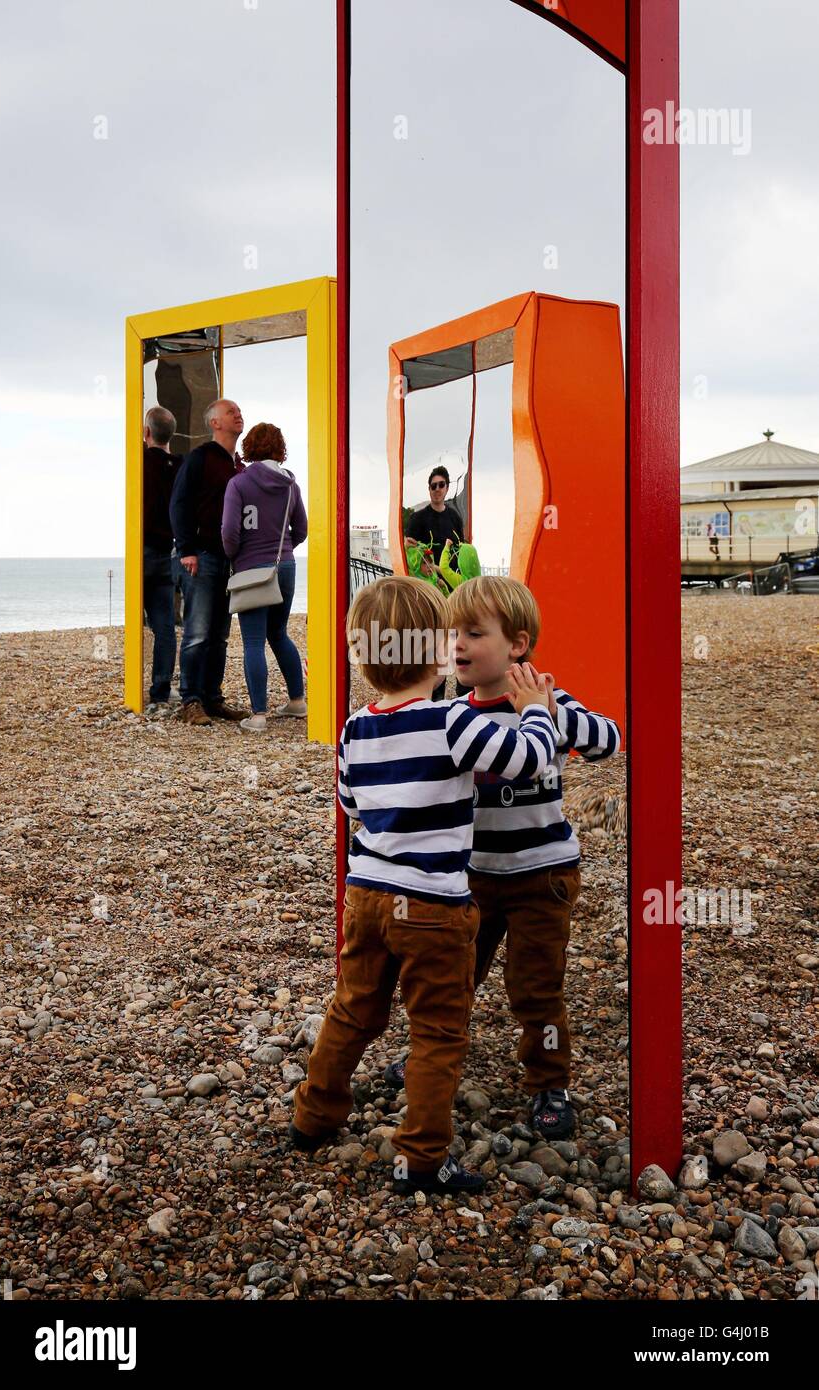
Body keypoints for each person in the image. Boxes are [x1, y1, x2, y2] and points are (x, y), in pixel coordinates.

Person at [289, 576, 559, 1195]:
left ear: (362, 657)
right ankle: (422, 1157)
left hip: (367, 896)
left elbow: (351, 804)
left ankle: (313, 1116)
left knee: (355, 1007)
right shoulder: (454, 720)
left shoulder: (356, 729)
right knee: (437, 1031)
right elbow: (527, 760)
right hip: (434, 904)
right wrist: (537, 714)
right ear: (439, 651)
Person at [384, 576, 620, 1141]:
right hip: (474, 876)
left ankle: (549, 1082)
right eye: (449, 635)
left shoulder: (546, 702)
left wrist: (549, 713)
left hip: (543, 875)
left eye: (472, 633)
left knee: (536, 986)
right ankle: (433, 1058)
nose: (456, 645)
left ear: (517, 644)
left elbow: (610, 740)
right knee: (453, 976)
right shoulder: (451, 712)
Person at [221, 423, 308, 733]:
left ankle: (258, 715)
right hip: (284, 566)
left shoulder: (239, 483)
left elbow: (230, 532)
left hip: (252, 569)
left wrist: (236, 556)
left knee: (254, 641)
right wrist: (283, 550)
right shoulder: (290, 486)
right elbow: (302, 530)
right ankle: (297, 701)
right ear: (279, 448)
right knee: (280, 633)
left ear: (250, 448)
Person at [169, 399, 249, 726]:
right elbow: (179, 503)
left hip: (230, 561)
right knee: (197, 632)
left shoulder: (240, 466)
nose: (238, 415)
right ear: (215, 422)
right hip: (199, 557)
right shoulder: (200, 458)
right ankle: (190, 700)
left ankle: (213, 698)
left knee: (220, 635)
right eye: (231, 412)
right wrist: (186, 548)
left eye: (239, 411)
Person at [142, 406, 182, 708]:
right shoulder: (180, 467)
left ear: (146, 433)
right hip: (167, 552)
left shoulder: (140, 463)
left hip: (141, 551)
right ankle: (161, 687)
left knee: (142, 620)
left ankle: (134, 686)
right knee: (165, 626)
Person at [404, 463, 465, 564]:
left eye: (441, 485)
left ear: (447, 488)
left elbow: (461, 551)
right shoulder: (417, 518)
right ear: (429, 489)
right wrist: (406, 545)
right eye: (433, 486)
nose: (437, 489)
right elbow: (409, 553)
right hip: (425, 578)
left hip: (452, 578)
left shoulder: (455, 517)